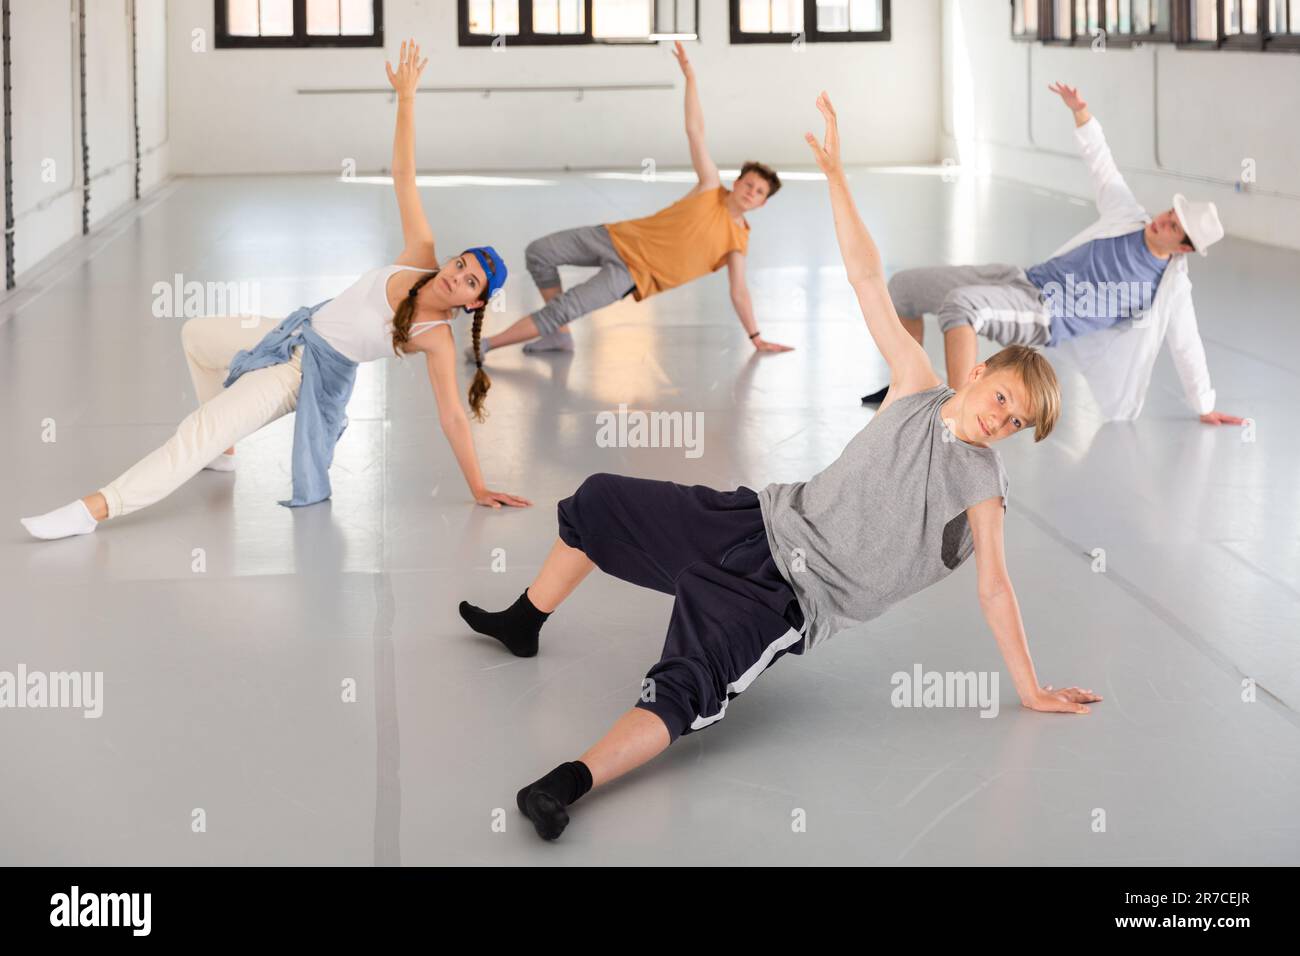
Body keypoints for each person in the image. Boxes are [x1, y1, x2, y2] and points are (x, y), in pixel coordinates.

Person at [458, 93, 1100, 842]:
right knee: (596, 501)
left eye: (1017, 422)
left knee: (685, 689)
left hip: (783, 596)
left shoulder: (981, 487)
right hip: (752, 518)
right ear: (982, 370)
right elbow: (867, 280)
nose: (1001, 419)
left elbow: (995, 585)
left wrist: (1030, 688)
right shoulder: (917, 384)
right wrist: (836, 175)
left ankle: (567, 783)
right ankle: (525, 622)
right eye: (1002, 398)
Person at [21, 38, 529, 541]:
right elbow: (403, 175)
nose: (455, 275)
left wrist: (479, 486)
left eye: (469, 281)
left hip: (303, 375)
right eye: (460, 264)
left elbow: (452, 417)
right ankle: (224, 452)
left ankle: (94, 509)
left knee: (199, 431)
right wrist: (407, 98)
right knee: (196, 334)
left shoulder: (435, 335)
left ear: (474, 302)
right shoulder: (421, 257)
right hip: (290, 331)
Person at [863, 82, 1243, 426]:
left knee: (961, 307)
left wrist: (1204, 404)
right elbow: (1103, 168)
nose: (1163, 221)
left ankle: (961, 422)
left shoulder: (1169, 288)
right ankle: (908, 391)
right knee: (904, 287)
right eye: (1169, 214)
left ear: (1184, 248)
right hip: (1021, 277)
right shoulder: (1128, 216)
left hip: (1047, 314)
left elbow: (1186, 345)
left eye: (1173, 227)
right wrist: (1081, 114)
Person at [473, 41, 793, 359]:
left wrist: (756, 337)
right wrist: (691, 79)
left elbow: (739, 292)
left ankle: (484, 346)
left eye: (759, 192)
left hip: (630, 274)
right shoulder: (710, 186)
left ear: (762, 203)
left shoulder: (736, 242)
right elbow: (695, 131)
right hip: (614, 236)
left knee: (564, 307)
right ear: (736, 183)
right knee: (538, 252)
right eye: (749, 184)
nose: (751, 191)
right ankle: (559, 336)